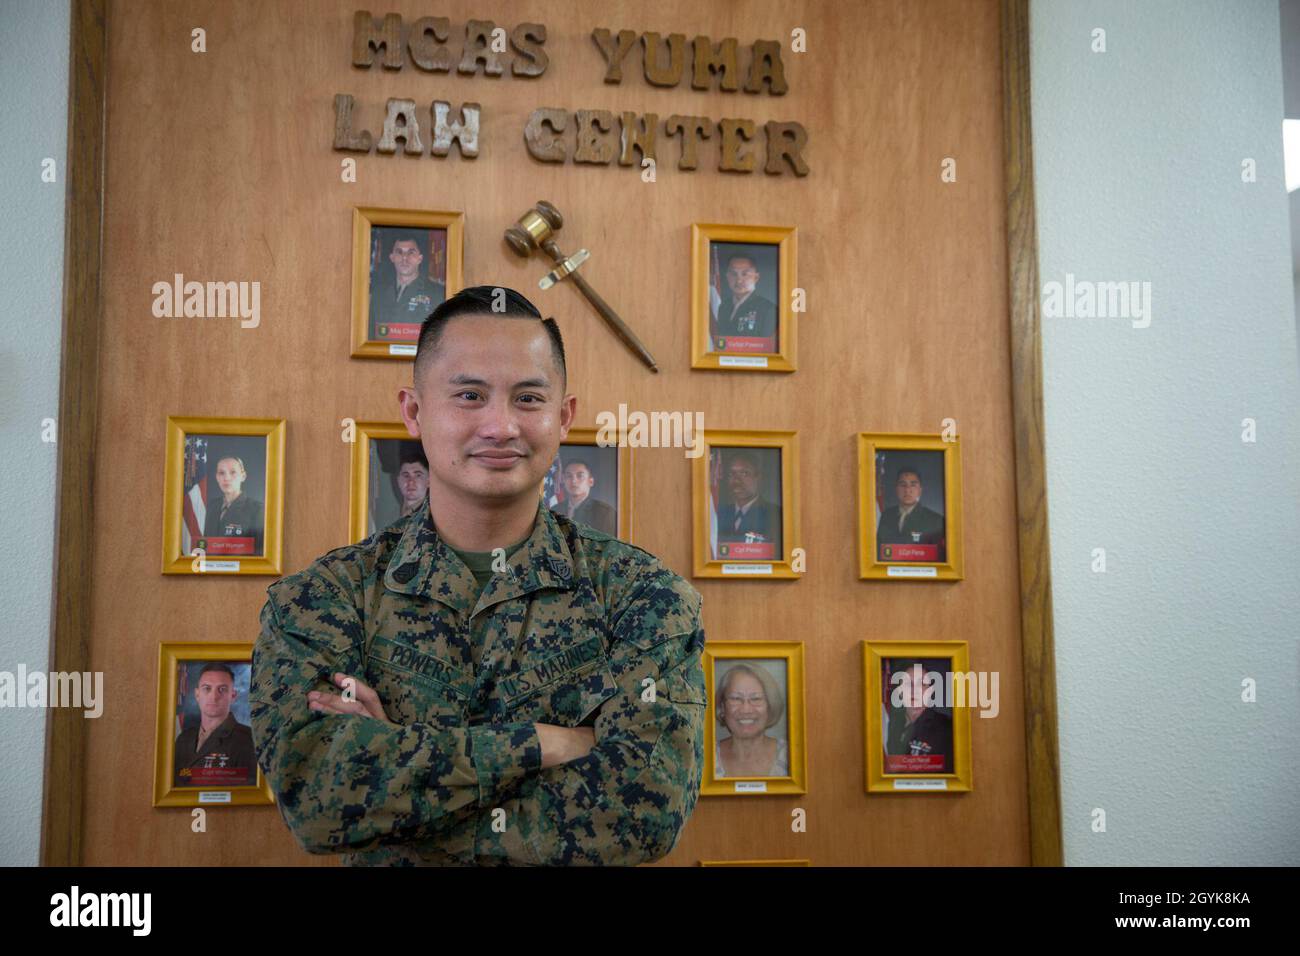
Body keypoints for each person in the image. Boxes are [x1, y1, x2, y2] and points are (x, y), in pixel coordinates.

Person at [249, 286, 707, 866]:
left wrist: (401, 773)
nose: (501, 426)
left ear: (564, 417)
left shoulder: (643, 595)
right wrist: (545, 744)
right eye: (469, 396)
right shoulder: (324, 599)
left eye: (528, 399)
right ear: (414, 411)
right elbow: (320, 803)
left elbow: (645, 814)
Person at [174, 662, 258, 787]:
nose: (214, 697)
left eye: (222, 689)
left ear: (233, 696)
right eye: (207, 688)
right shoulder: (184, 738)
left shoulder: (249, 740)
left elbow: (248, 792)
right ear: (197, 694)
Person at [714, 664, 788, 778]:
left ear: (770, 705)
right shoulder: (705, 756)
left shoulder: (791, 755)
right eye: (736, 698)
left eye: (756, 699)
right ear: (723, 707)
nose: (746, 710)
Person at [369, 232, 445, 337]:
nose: (404, 258)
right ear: (392, 257)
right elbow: (370, 333)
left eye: (411, 252)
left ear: (420, 259)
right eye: (399, 252)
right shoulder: (378, 293)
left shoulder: (438, 293)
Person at [884, 660, 953, 773]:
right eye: (907, 684)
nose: (914, 690)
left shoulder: (947, 729)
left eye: (921, 684)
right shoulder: (889, 725)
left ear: (930, 691)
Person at [876, 465, 945, 556]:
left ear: (920, 490)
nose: (907, 490)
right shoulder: (886, 516)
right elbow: (878, 550)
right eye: (903, 485)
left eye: (913, 485)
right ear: (896, 489)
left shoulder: (936, 520)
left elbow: (938, 556)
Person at [202, 456, 263, 553]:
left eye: (233, 472)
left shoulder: (257, 510)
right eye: (221, 473)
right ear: (217, 477)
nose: (226, 478)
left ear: (243, 476)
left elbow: (259, 552)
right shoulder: (209, 507)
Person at [716, 452, 779, 545]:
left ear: (758, 478)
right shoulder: (719, 514)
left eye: (744, 473)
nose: (736, 480)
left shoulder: (775, 514)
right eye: (731, 474)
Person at [712, 252, 776, 342]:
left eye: (745, 274)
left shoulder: (768, 309)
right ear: (727, 276)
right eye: (733, 274)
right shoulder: (723, 306)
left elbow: (768, 346)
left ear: (756, 277)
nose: (739, 280)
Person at [555, 458, 616, 535]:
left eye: (580, 476)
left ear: (591, 481)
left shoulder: (605, 513)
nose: (573, 481)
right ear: (563, 480)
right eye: (569, 476)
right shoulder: (555, 510)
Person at [394, 448, 430, 518]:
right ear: (398, 481)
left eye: (418, 475)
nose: (411, 481)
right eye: (406, 475)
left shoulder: (435, 516)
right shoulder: (390, 515)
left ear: (429, 481)